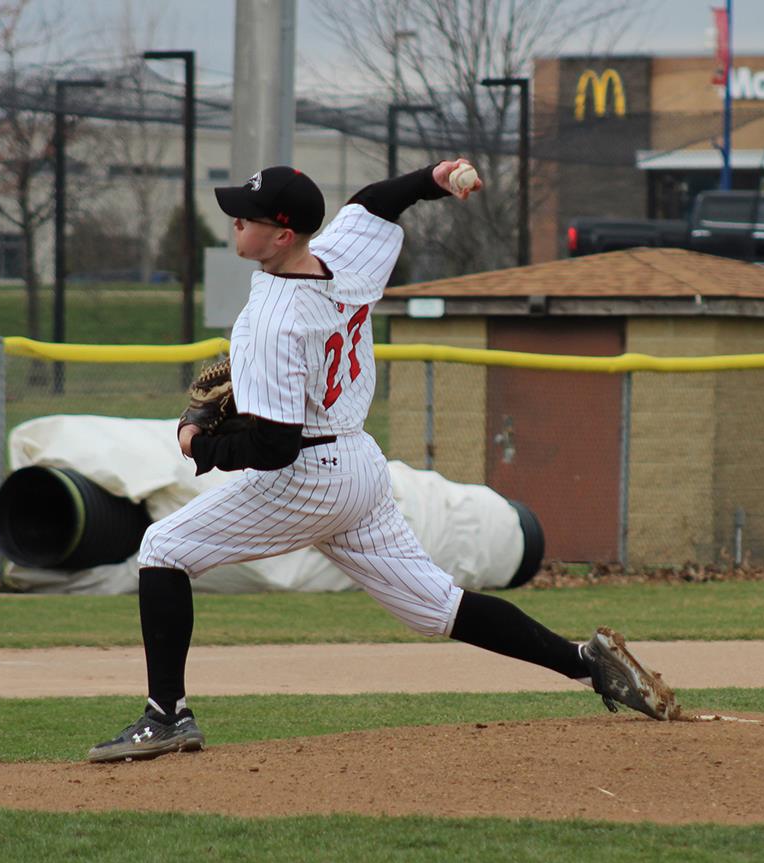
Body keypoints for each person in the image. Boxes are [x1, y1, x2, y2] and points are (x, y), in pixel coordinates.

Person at [88, 160, 677, 762]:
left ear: (283, 235)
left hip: (305, 477)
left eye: (248, 217)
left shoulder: (271, 321)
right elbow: (374, 202)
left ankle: (167, 716)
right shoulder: (342, 260)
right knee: (436, 607)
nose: (235, 221)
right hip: (358, 466)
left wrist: (199, 444)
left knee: (164, 549)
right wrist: (432, 179)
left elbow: (273, 447)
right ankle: (586, 663)